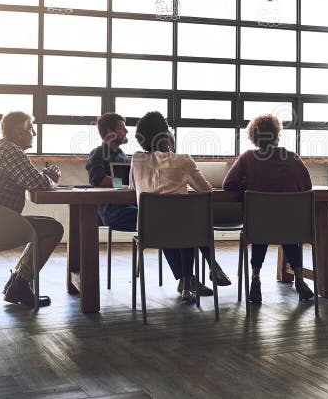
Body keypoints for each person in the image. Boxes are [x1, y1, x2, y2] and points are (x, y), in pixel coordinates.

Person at [129, 111, 229, 302]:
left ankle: (189, 280)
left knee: (175, 222)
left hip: (149, 230)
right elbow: (206, 191)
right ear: (166, 135)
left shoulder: (136, 159)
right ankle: (206, 269)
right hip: (183, 231)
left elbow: (133, 187)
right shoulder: (183, 160)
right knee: (189, 223)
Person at [0, 111, 64, 308]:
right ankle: (20, 283)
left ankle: (17, 283)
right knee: (54, 229)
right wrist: (51, 180)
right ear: (19, 133)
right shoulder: (11, 151)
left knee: (48, 226)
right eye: (31, 128)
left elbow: (30, 179)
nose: (34, 134)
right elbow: (38, 183)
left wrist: (43, 180)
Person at [222, 114, 314, 304]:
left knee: (260, 230)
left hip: (258, 226)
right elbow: (307, 187)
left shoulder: (247, 157)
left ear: (254, 137)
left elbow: (227, 185)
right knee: (288, 231)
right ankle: (299, 279)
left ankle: (255, 277)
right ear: (276, 135)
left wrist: (246, 190)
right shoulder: (292, 157)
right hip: (291, 226)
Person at [85, 113, 138, 232]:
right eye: (121, 128)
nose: (126, 131)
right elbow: (98, 179)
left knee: (158, 212)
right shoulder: (97, 153)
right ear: (110, 132)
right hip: (112, 211)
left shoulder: (122, 155)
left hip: (129, 205)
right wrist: (125, 183)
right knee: (155, 216)